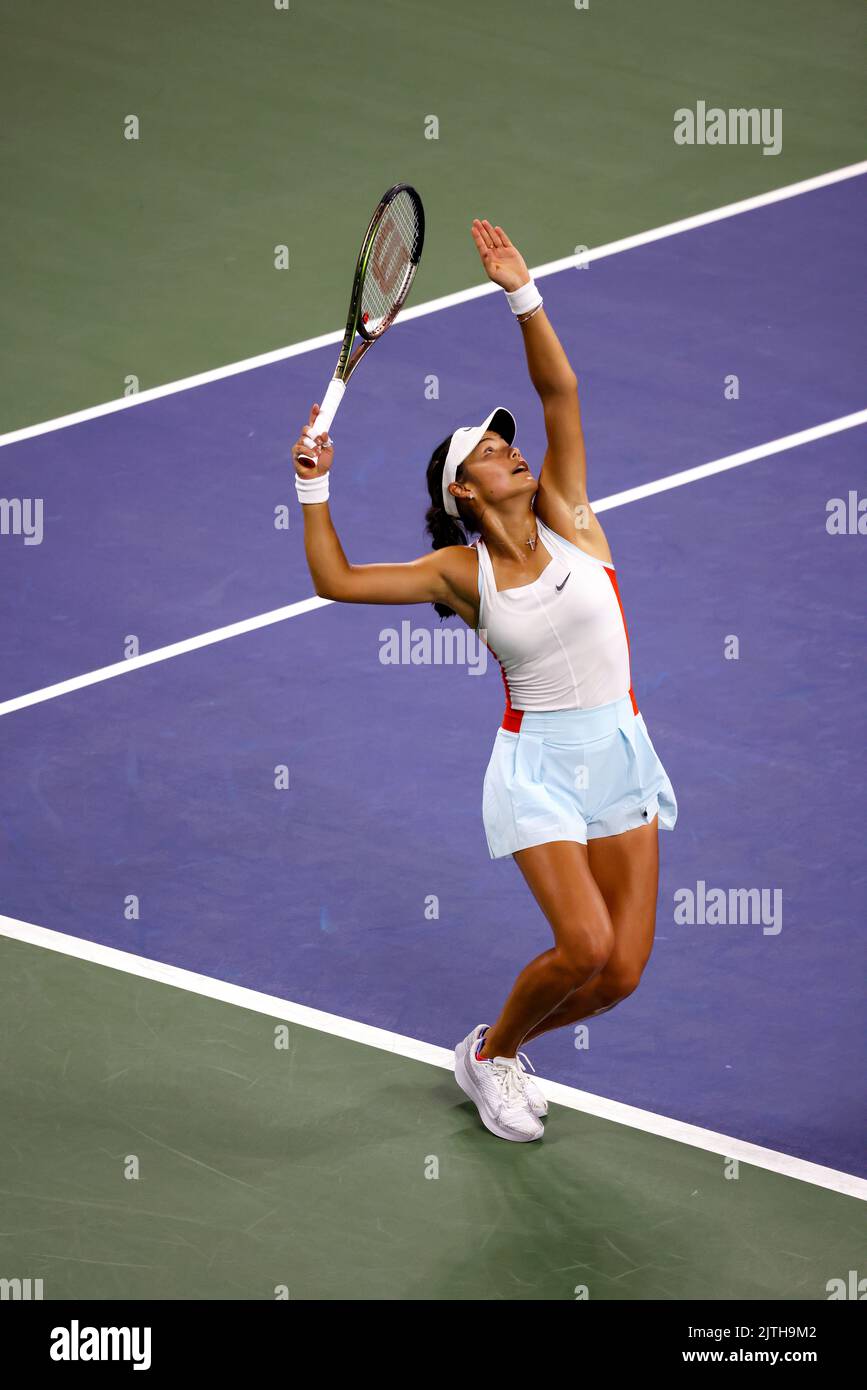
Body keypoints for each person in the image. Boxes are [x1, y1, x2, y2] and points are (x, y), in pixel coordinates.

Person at [292, 219, 677, 1142]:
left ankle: (496, 1047)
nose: (512, 450)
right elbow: (335, 581)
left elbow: (561, 391)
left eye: (510, 445)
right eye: (490, 451)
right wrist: (313, 486)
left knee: (619, 974)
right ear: (464, 490)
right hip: (536, 766)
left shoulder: (573, 518)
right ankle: (491, 1056)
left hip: (619, 751)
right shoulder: (461, 576)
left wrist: (522, 293)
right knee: (581, 946)